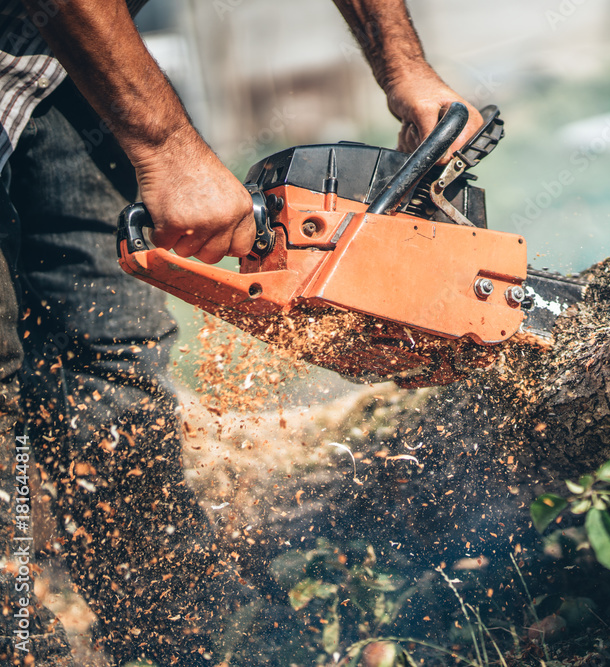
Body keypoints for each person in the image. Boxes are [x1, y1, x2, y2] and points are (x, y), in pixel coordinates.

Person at [0, 1, 483, 665]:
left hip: (54, 63)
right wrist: (167, 145)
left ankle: (186, 640)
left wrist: (404, 68)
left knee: (109, 355)